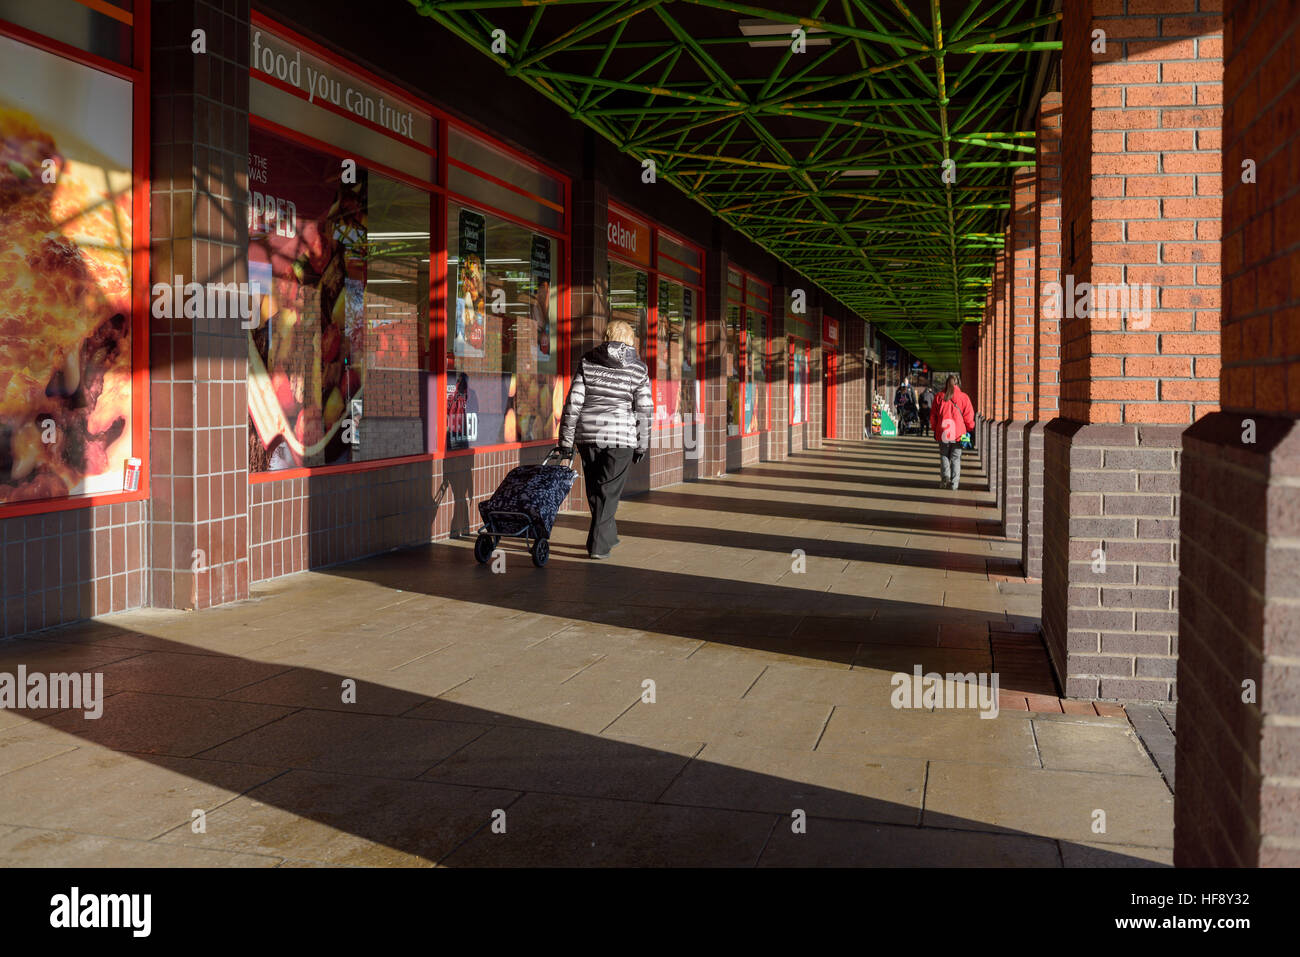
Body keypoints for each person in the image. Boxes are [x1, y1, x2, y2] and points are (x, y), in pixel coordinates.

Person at [558, 319, 653, 559]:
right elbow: (644, 409)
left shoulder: (588, 361)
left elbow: (574, 403)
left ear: (606, 336)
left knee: (596, 489)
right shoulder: (638, 369)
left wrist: (566, 441)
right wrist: (642, 443)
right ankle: (598, 545)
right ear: (630, 340)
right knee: (608, 491)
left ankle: (608, 535)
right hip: (621, 437)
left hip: (589, 436)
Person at [929, 375, 975, 490]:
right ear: (958, 383)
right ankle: (954, 484)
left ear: (946, 383)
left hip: (943, 432)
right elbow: (969, 417)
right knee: (956, 458)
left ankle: (945, 477)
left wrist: (935, 429)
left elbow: (933, 416)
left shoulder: (939, 396)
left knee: (944, 456)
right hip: (958, 434)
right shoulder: (964, 397)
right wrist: (970, 428)